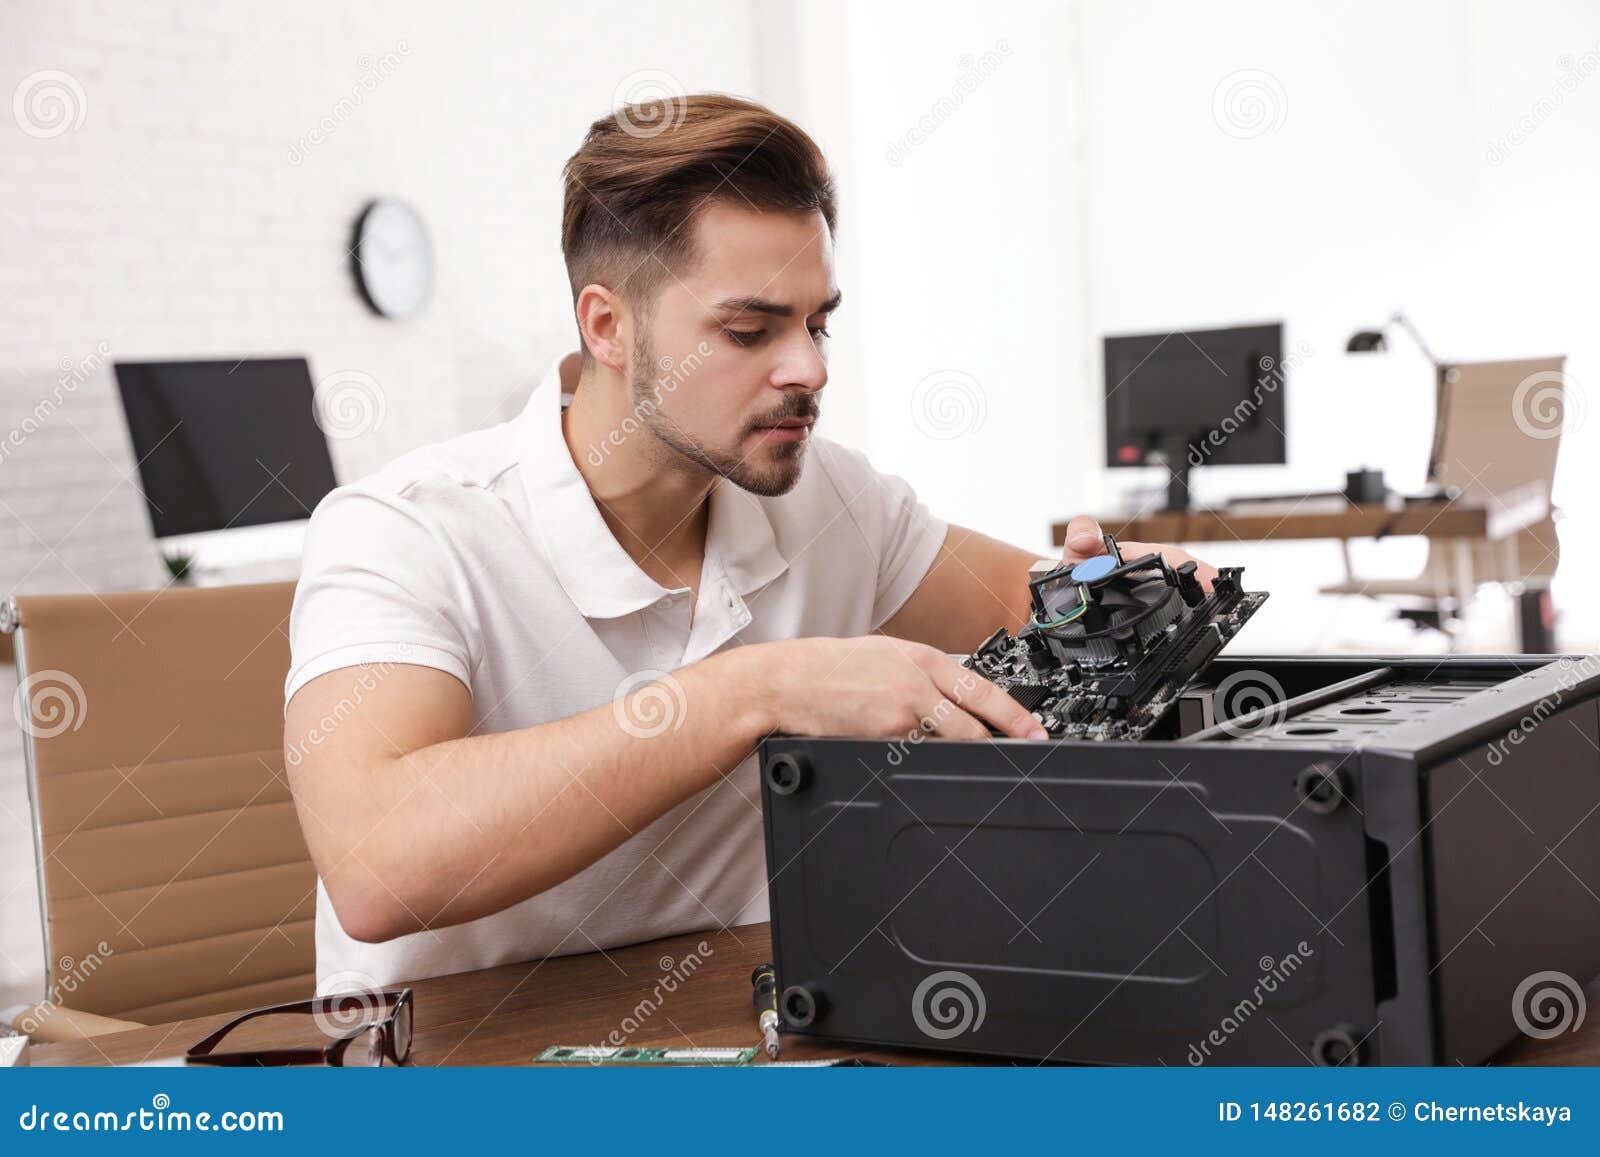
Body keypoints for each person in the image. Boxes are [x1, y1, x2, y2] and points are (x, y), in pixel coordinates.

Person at [284, 93, 1214, 984]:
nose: (807, 366)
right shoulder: (404, 530)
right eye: (747, 330)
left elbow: (1047, 605)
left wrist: (1130, 593)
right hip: (462, 1068)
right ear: (607, 326)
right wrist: (760, 688)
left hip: (752, 1031)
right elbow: (374, 865)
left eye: (817, 323)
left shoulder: (835, 498)